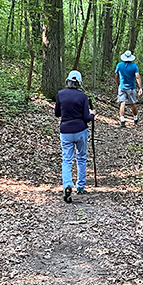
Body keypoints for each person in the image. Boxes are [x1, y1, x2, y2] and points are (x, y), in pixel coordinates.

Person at [54, 70, 95, 203]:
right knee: (81, 157)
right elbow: (86, 118)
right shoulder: (83, 97)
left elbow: (57, 113)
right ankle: (81, 186)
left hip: (65, 130)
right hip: (80, 130)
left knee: (67, 159)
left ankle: (67, 185)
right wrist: (92, 114)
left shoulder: (60, 94)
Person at [114, 50, 143, 127]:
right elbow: (137, 76)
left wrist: (118, 83)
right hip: (131, 88)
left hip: (122, 87)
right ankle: (135, 118)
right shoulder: (134, 66)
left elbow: (116, 75)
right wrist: (140, 87)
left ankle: (122, 119)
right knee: (132, 103)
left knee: (122, 103)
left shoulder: (119, 65)